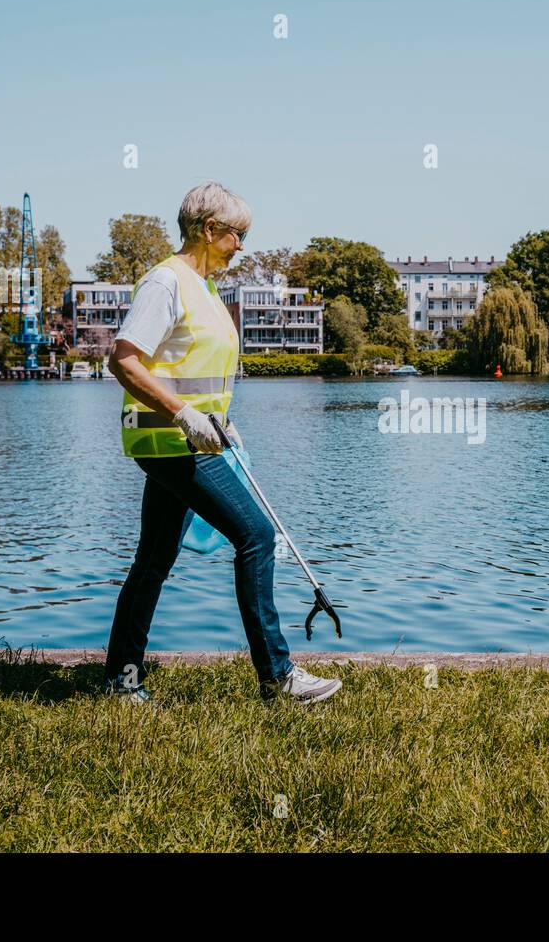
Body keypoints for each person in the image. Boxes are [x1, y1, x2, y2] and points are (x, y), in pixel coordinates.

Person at [104, 180, 342, 706]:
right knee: (256, 535)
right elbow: (123, 358)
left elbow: (193, 368)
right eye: (238, 235)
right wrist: (184, 413)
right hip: (169, 440)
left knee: (153, 560)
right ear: (209, 230)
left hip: (194, 439)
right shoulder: (165, 283)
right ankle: (278, 679)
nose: (242, 246)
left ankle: (120, 681)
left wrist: (217, 418)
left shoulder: (206, 288)